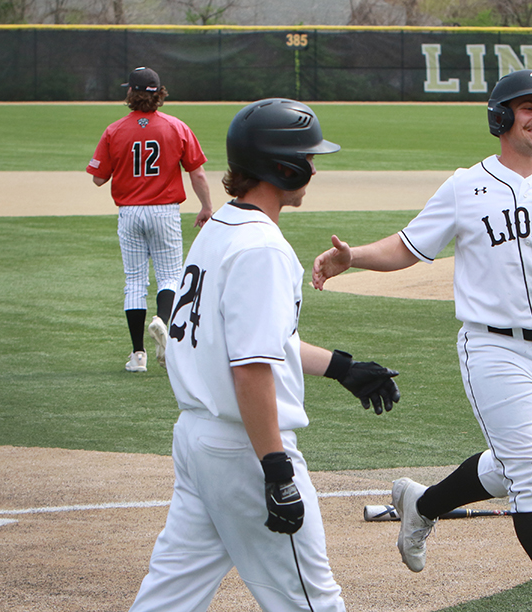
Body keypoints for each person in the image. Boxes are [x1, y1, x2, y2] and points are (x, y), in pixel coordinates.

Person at [312, 70, 532, 612]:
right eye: (528, 108)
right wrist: (353, 257)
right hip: (493, 348)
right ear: (501, 117)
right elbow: (409, 245)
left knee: (511, 469)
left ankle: (422, 504)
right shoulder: (467, 185)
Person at [127, 98, 401, 612]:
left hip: (199, 441)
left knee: (170, 597)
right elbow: (250, 368)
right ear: (283, 165)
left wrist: (342, 368)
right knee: (312, 601)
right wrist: (276, 470)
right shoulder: (263, 248)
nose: (315, 168)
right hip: (245, 450)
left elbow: (254, 340)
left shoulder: (220, 228)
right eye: (308, 158)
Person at [87, 66, 213, 373]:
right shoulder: (176, 127)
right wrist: (206, 206)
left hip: (130, 212)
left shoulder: (114, 130)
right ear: (160, 94)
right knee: (170, 276)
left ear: (131, 93)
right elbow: (196, 172)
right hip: (164, 211)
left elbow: (99, 179)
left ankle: (138, 355)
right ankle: (162, 320)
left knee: (134, 281)